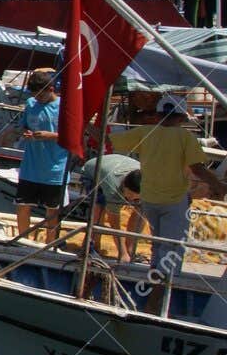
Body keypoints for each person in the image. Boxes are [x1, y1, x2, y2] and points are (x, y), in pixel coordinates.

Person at [111, 94, 227, 311]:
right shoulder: (184, 137)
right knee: (172, 251)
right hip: (174, 201)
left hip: (150, 200)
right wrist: (219, 187)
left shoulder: (146, 132)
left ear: (160, 114)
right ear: (182, 116)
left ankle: (153, 291)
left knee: (158, 246)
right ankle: (156, 304)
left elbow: (109, 140)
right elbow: (198, 168)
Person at [15, 68, 69, 241]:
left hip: (54, 169)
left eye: (41, 95)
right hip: (30, 167)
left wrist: (51, 136)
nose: (37, 99)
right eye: (35, 95)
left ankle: (50, 243)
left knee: (52, 210)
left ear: (51, 89)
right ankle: (23, 239)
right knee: (23, 205)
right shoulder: (30, 104)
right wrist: (25, 133)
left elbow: (73, 137)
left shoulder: (64, 106)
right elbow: (23, 126)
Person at [80, 154, 142, 263]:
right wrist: (122, 253)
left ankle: (130, 249)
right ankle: (90, 245)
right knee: (99, 206)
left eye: (135, 198)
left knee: (141, 208)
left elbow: (141, 214)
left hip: (120, 164)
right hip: (93, 170)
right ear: (124, 186)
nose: (131, 201)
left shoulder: (150, 185)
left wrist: (129, 250)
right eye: (130, 196)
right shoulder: (113, 188)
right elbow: (114, 222)